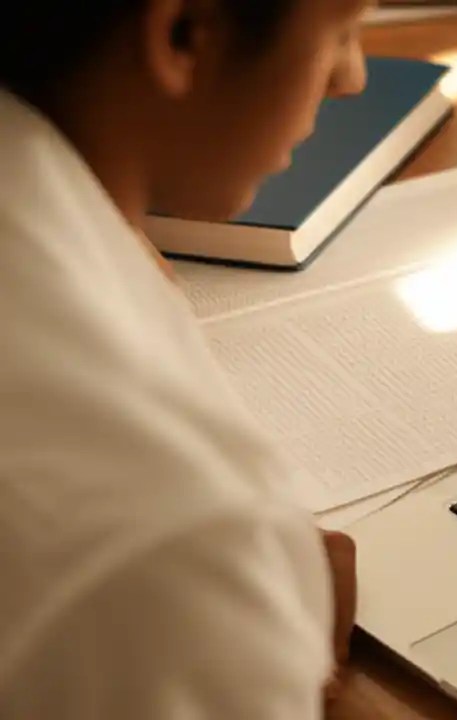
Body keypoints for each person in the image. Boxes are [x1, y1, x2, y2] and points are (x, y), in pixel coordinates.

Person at [0, 1, 371, 716]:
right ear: (185, 35)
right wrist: (249, 648)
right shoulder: (168, 549)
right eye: (342, 32)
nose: (351, 79)